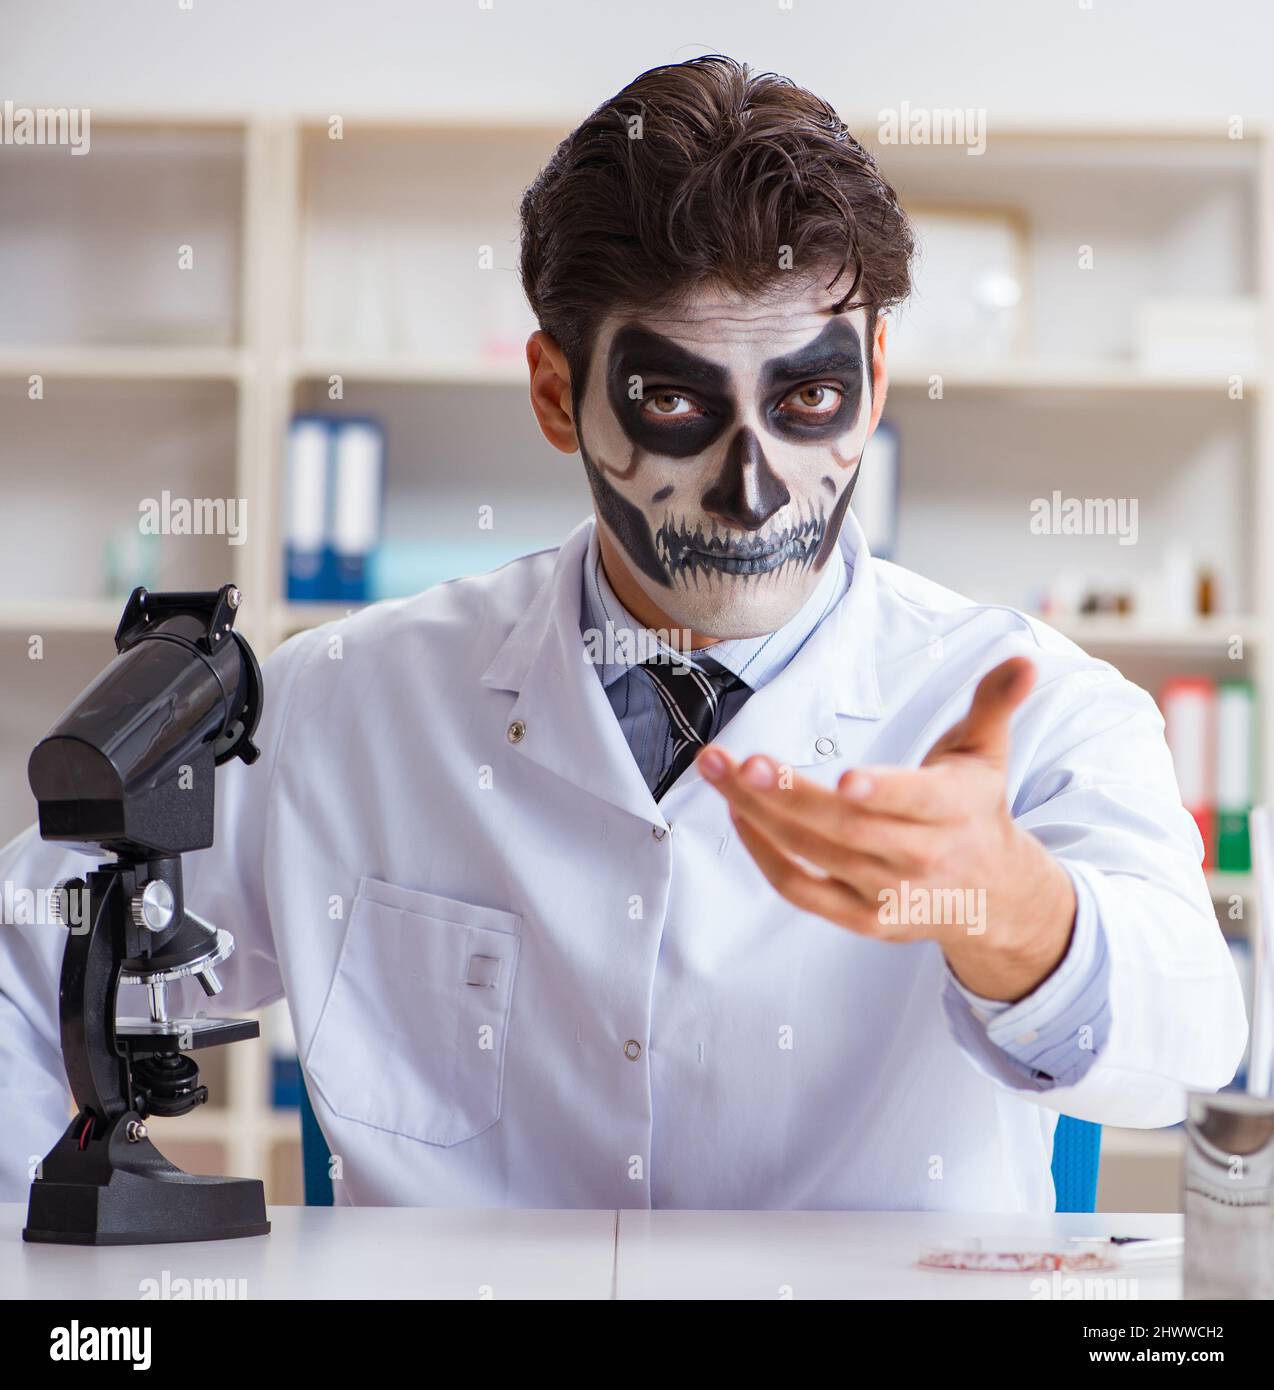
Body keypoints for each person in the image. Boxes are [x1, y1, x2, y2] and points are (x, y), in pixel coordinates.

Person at [0, 55, 1245, 1211]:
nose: (752, 489)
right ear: (556, 392)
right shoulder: (337, 705)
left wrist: (1016, 912)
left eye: (808, 398)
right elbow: (28, 958)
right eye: (673, 402)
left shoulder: (1036, 706)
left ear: (873, 371)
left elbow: (1189, 1045)